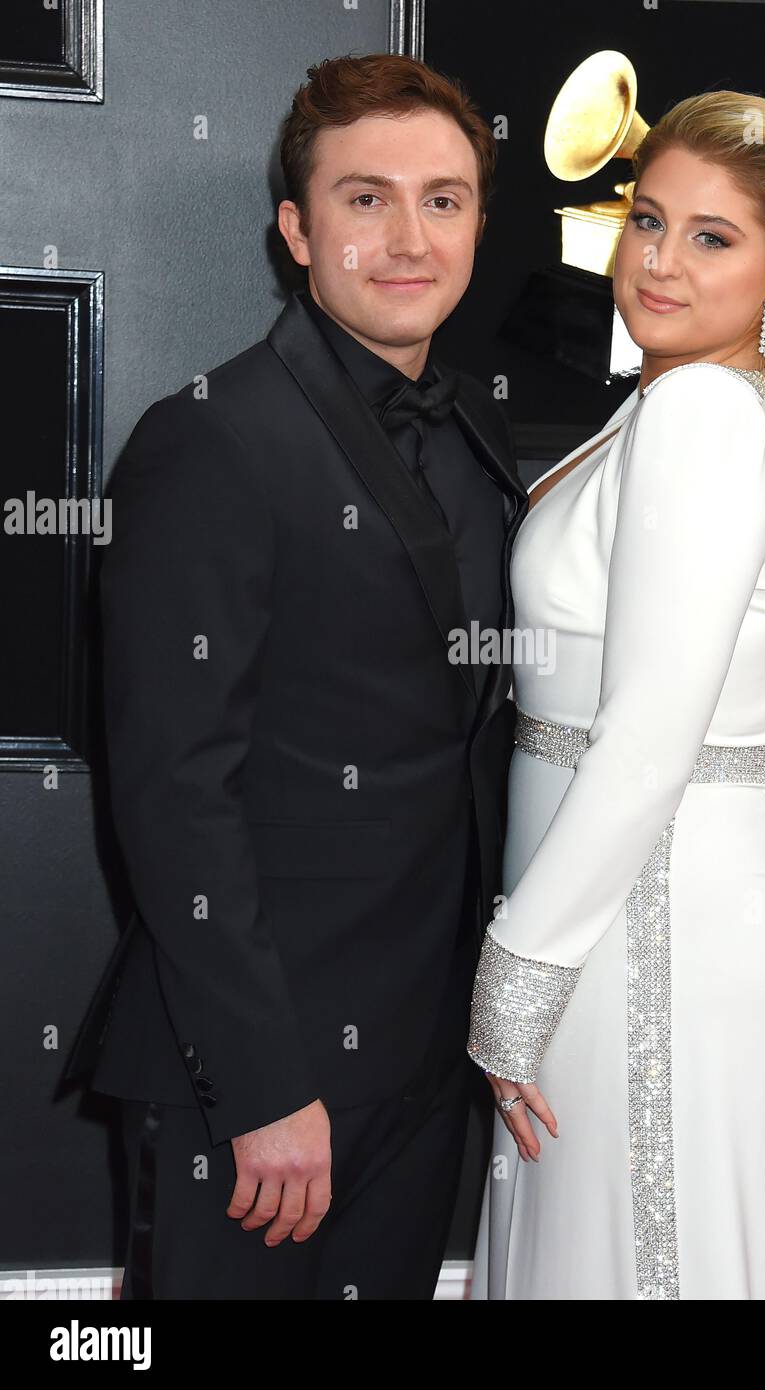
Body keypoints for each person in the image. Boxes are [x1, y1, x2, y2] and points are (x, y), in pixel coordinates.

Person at [62, 53, 525, 1300]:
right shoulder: (209, 436)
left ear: (479, 221)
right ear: (295, 229)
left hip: (428, 1063)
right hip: (260, 1081)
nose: (408, 236)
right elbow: (171, 791)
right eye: (364, 198)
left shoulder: (481, 432)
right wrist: (263, 1085)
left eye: (442, 198)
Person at [466, 92, 765, 1300]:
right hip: (636, 910)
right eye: (645, 220)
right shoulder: (682, 404)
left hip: (646, 925)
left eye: (711, 237)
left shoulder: (705, 413)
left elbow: (650, 735)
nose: (658, 261)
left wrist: (517, 965)